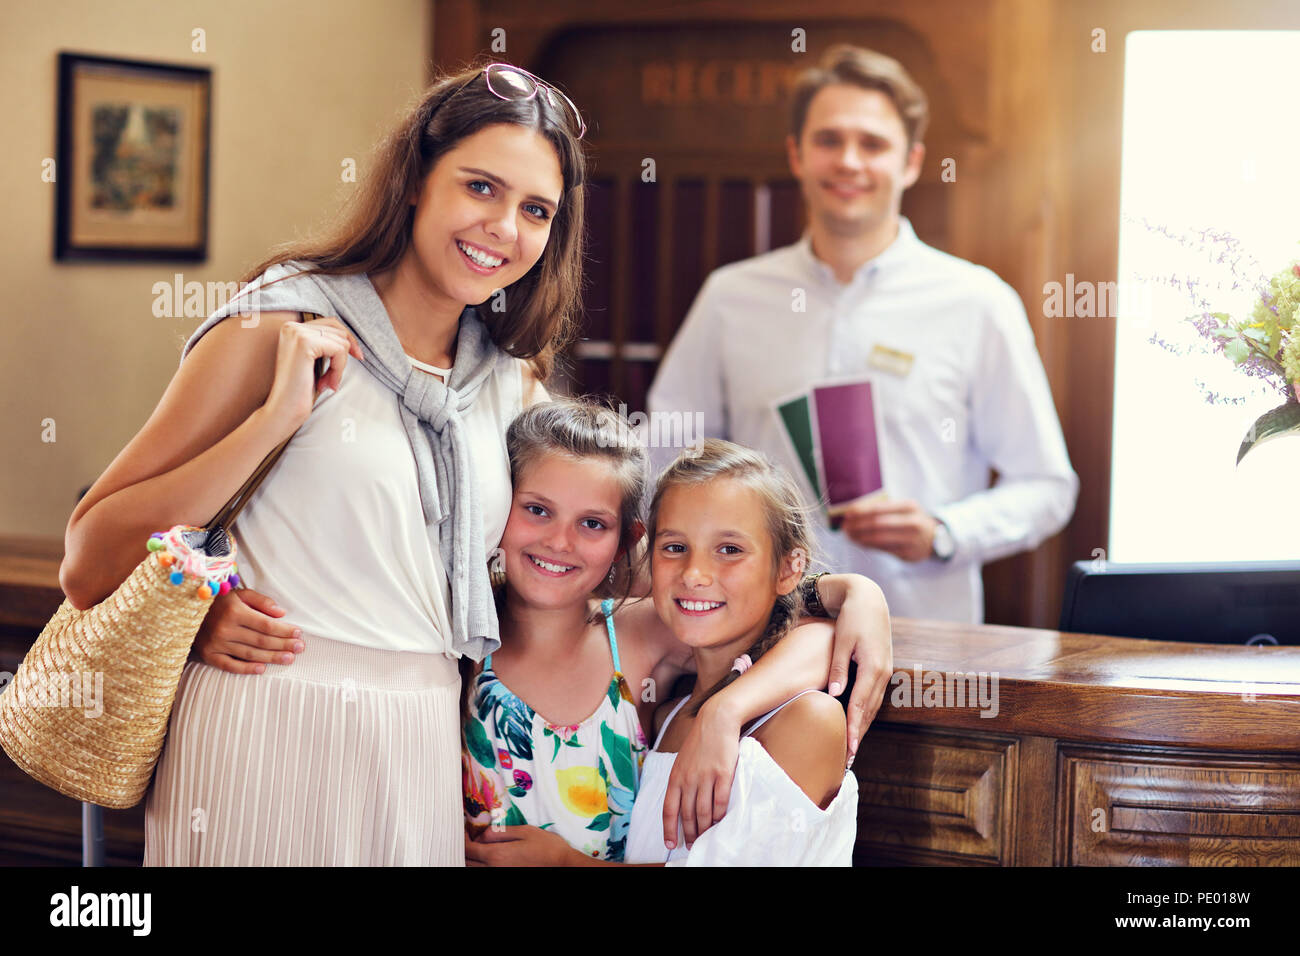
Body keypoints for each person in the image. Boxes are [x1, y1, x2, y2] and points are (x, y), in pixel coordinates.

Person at [59, 60, 590, 865]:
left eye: (535, 209)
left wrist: (830, 598)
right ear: (416, 180)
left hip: (419, 741)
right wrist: (274, 421)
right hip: (260, 722)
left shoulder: (513, 383)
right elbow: (90, 555)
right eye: (480, 187)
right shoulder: (280, 322)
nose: (504, 229)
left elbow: (566, 566)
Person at [647, 45, 1078, 625]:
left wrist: (945, 532)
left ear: (911, 162)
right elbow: (668, 456)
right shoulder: (730, 297)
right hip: (756, 642)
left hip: (924, 641)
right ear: (797, 155)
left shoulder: (978, 302)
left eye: (873, 144)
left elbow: (1047, 486)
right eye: (829, 140)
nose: (849, 161)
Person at [457, 399, 889, 861]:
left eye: (592, 523)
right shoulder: (461, 636)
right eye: (537, 510)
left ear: (625, 540)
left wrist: (857, 593)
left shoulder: (640, 638)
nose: (560, 541)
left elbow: (808, 630)